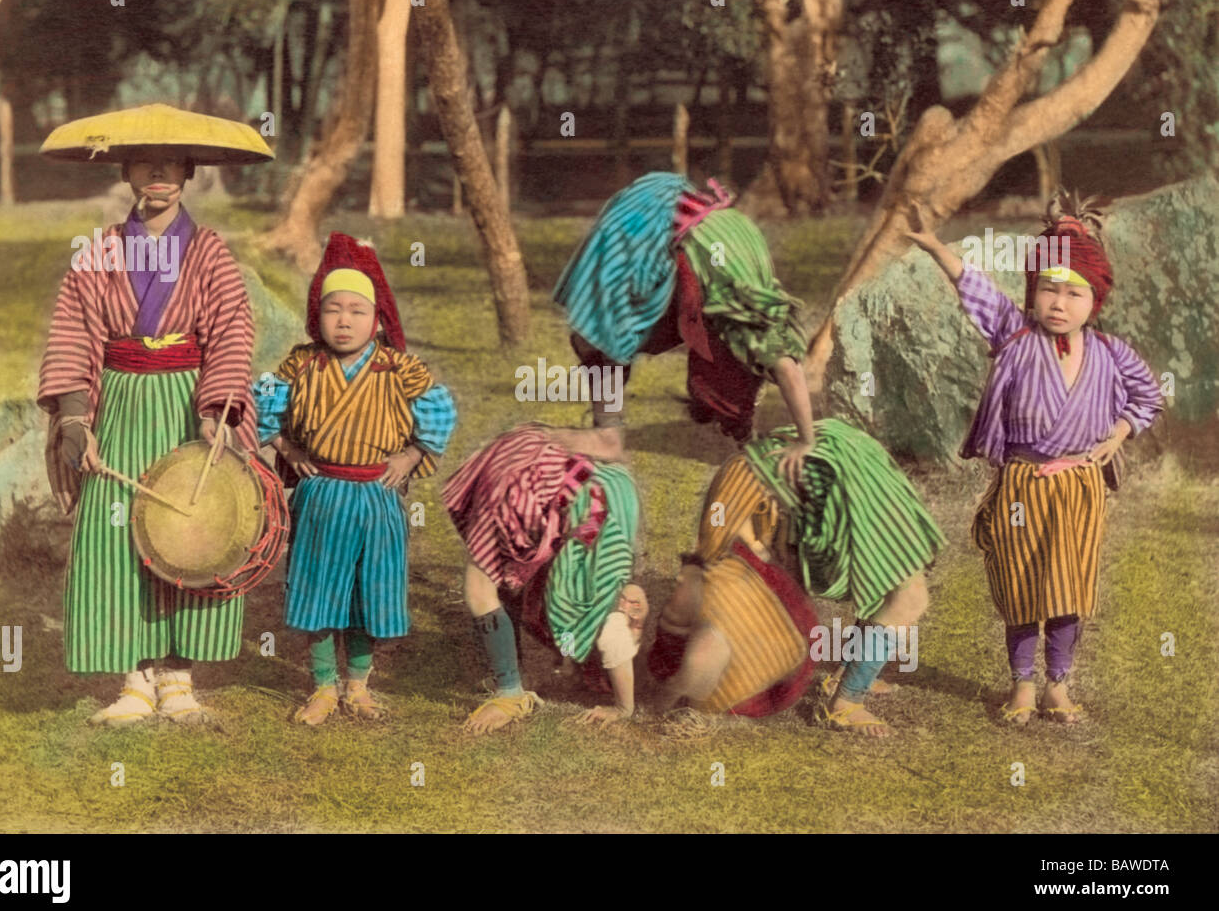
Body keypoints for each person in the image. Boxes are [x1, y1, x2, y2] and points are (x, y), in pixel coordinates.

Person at [38, 104, 272, 726]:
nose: (159, 172)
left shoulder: (212, 254)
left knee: (191, 525)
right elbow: (72, 334)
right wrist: (74, 418)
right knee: (118, 532)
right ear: (126, 170)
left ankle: (179, 674)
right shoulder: (96, 253)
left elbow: (231, 333)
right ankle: (133, 677)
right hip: (119, 405)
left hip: (186, 407)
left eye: (171, 161)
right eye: (145, 160)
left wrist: (216, 411)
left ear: (190, 170)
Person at [907, 192, 1163, 724]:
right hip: (1021, 485)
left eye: (1073, 293)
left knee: (1070, 587)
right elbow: (973, 287)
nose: (1058, 303)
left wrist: (1118, 432)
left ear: (1095, 301)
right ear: (1032, 292)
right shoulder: (1014, 337)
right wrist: (934, 246)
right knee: (1021, 586)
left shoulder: (1113, 354)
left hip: (1080, 488)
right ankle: (1022, 684)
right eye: (1049, 289)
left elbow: (1148, 397)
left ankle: (1058, 686)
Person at [254, 234, 456, 726]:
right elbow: (262, 404)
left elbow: (439, 409)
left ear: (379, 319)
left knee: (370, 593)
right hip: (321, 494)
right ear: (316, 316)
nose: (344, 321)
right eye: (333, 310)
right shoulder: (301, 364)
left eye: (357, 311)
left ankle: (359, 685)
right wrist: (286, 447)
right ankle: (323, 686)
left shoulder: (399, 368)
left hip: (377, 497)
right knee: (318, 591)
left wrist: (411, 454)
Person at [651, 419, 945, 736]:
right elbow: (709, 560)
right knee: (908, 596)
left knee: (904, 591)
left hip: (834, 467)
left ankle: (849, 680)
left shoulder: (752, 507)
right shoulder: (738, 531)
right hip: (820, 469)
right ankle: (846, 701)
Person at [552, 172, 814, 448]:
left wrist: (807, 442)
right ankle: (608, 431)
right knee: (599, 336)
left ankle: (610, 431)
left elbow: (786, 367)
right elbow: (783, 366)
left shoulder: (734, 302)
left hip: (696, 233)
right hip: (674, 225)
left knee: (600, 337)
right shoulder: (725, 298)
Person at [442, 424, 647, 733]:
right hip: (527, 479)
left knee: (592, 608)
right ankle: (512, 686)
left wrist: (623, 709)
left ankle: (513, 687)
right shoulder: (585, 523)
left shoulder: (598, 538)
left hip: (535, 465)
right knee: (498, 586)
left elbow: (609, 623)